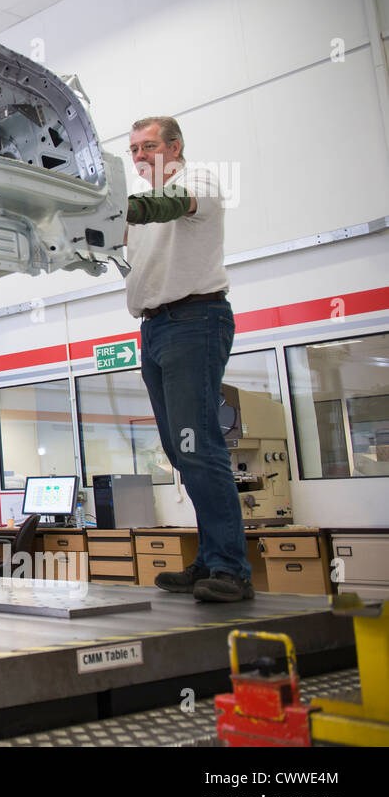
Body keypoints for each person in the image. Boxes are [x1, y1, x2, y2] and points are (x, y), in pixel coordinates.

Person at [125, 117, 251, 602]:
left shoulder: (195, 182)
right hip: (154, 328)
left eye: (149, 145)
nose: (139, 155)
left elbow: (163, 206)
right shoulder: (139, 216)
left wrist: (120, 207)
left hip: (195, 320)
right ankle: (209, 560)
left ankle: (231, 569)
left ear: (174, 147)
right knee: (181, 452)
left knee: (198, 445)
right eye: (133, 148)